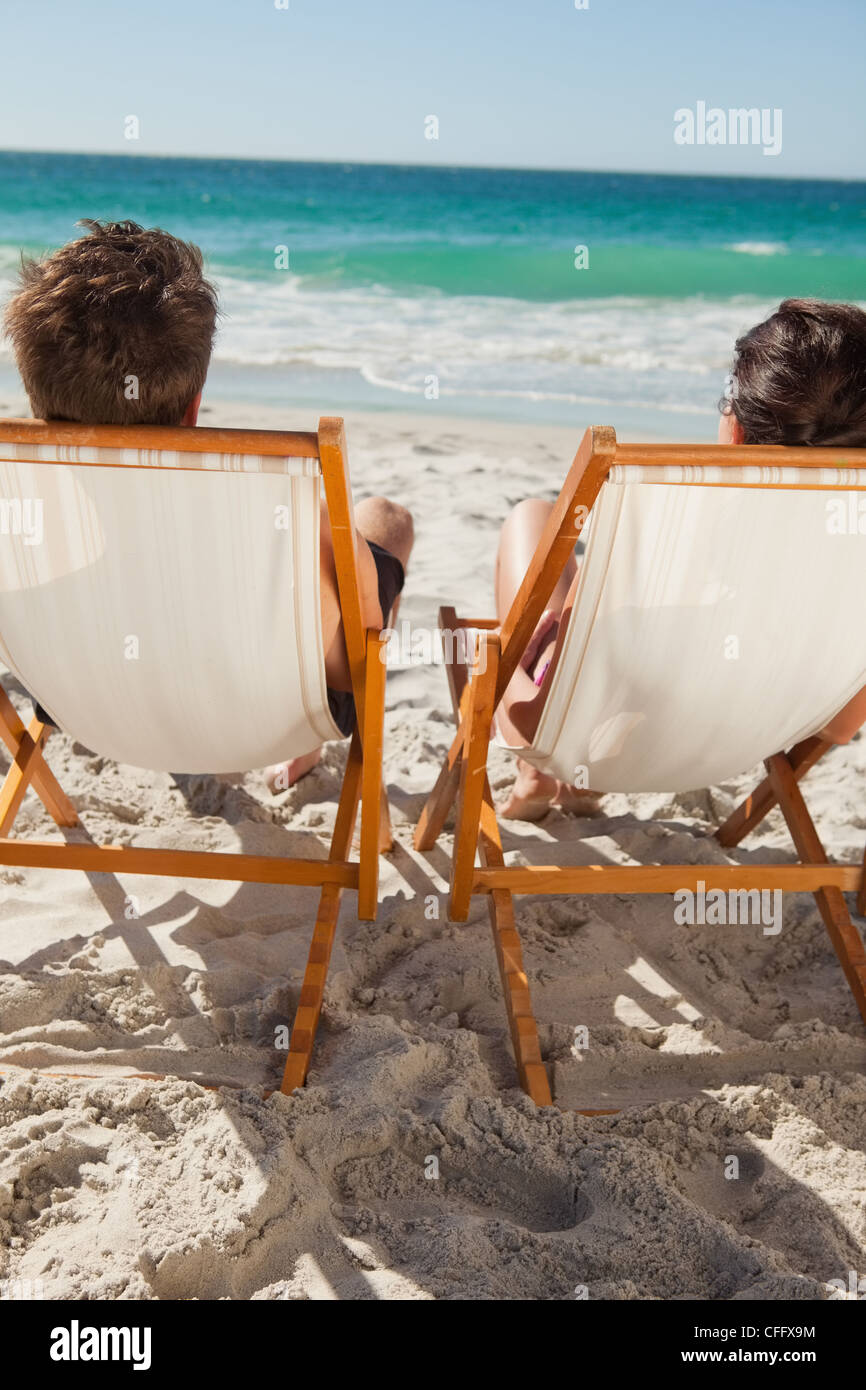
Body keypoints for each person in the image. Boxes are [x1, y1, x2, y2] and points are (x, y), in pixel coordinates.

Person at [1, 219, 413, 787]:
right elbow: (351, 672)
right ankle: (306, 756)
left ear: (36, 397)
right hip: (271, 722)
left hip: (85, 710)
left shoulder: (19, 510)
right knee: (385, 520)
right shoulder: (286, 517)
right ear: (195, 406)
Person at [493, 298, 866, 821]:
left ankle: (535, 777)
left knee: (530, 519)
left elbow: (536, 721)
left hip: (573, 745)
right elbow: (840, 727)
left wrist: (494, 669)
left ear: (735, 429)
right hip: (735, 748)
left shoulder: (672, 523)